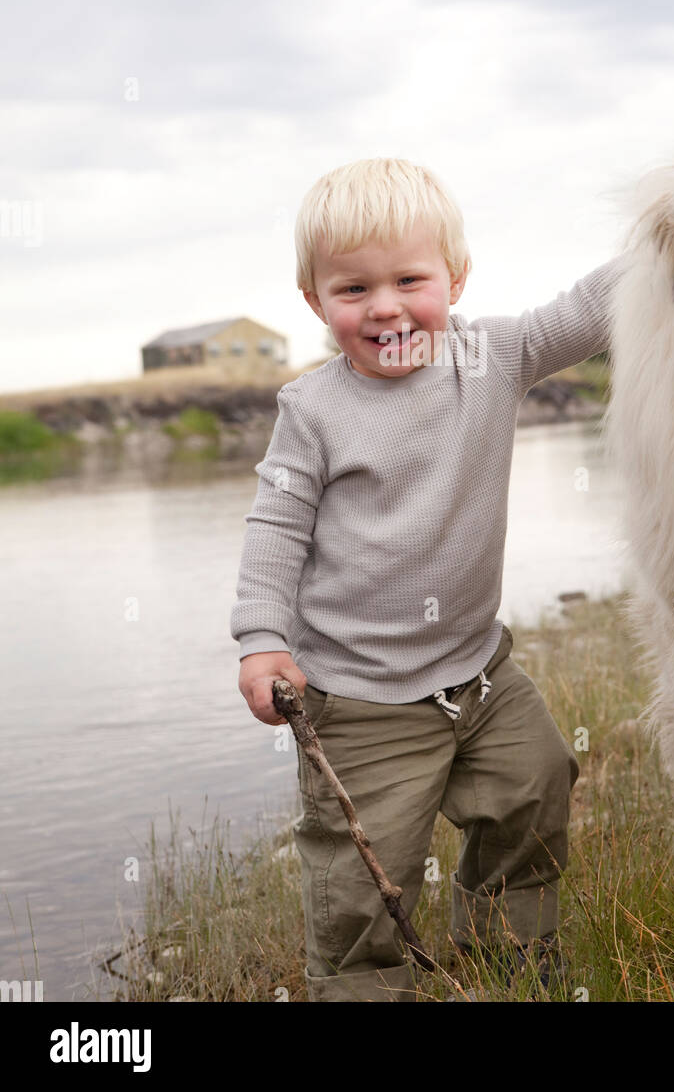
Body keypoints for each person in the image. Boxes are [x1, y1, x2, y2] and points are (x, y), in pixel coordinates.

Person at [231, 156, 627, 1002]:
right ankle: (362, 988)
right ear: (314, 301)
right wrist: (262, 641)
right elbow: (275, 529)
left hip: (481, 677)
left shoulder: (493, 358)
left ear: (455, 277)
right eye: (352, 289)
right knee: (361, 877)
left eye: (410, 279)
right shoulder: (313, 411)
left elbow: (590, 310)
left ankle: (507, 953)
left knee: (538, 783)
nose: (385, 307)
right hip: (361, 701)